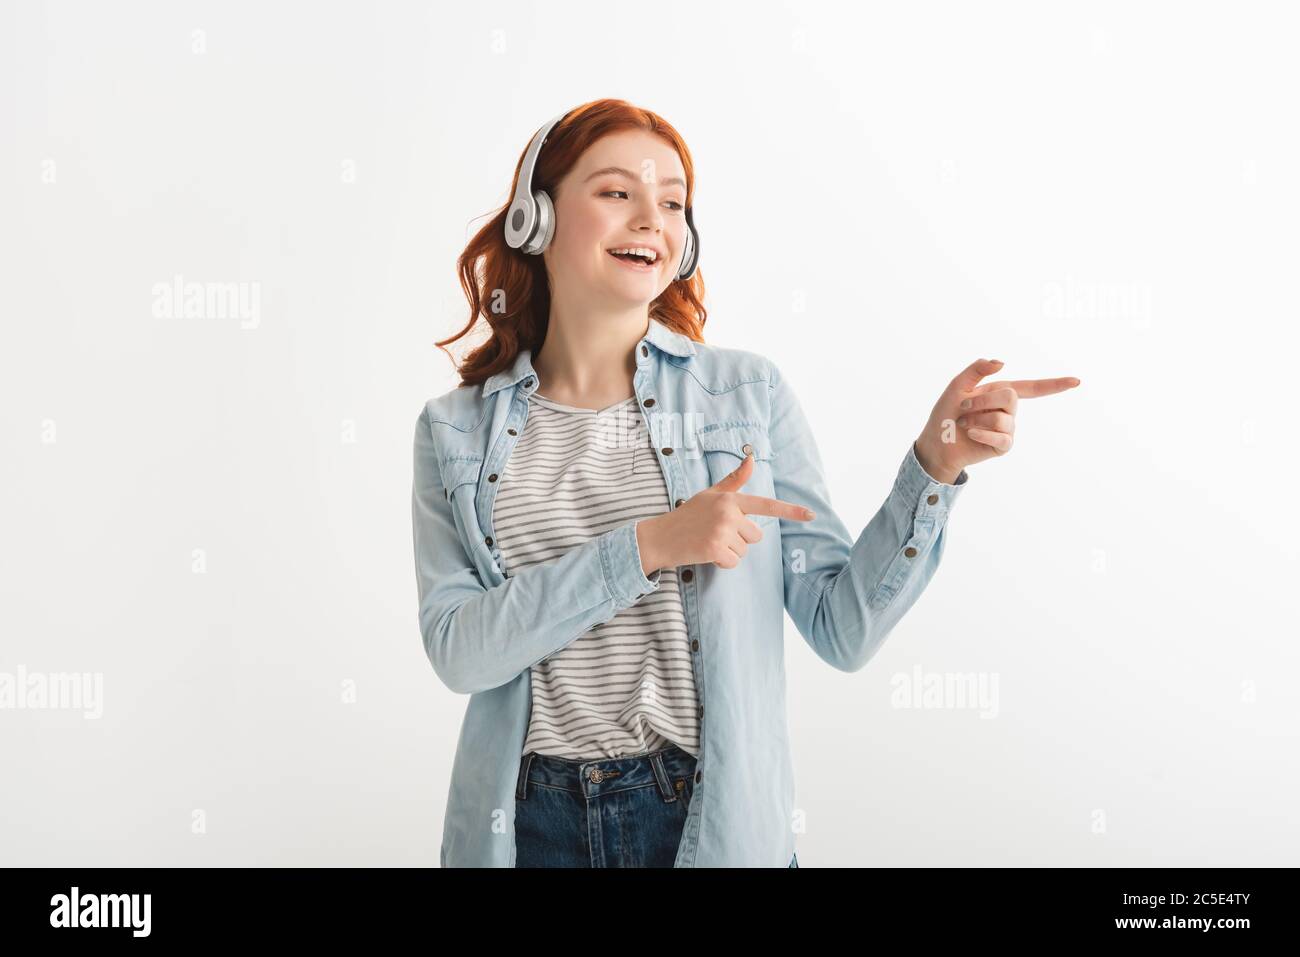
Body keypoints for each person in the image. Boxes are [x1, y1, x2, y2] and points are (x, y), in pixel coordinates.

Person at [411, 98, 1080, 868]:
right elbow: (459, 652)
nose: (650, 220)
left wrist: (935, 465)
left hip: (705, 821)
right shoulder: (454, 430)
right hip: (526, 825)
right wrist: (651, 545)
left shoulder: (746, 395)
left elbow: (844, 628)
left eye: (671, 203)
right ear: (537, 217)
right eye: (616, 192)